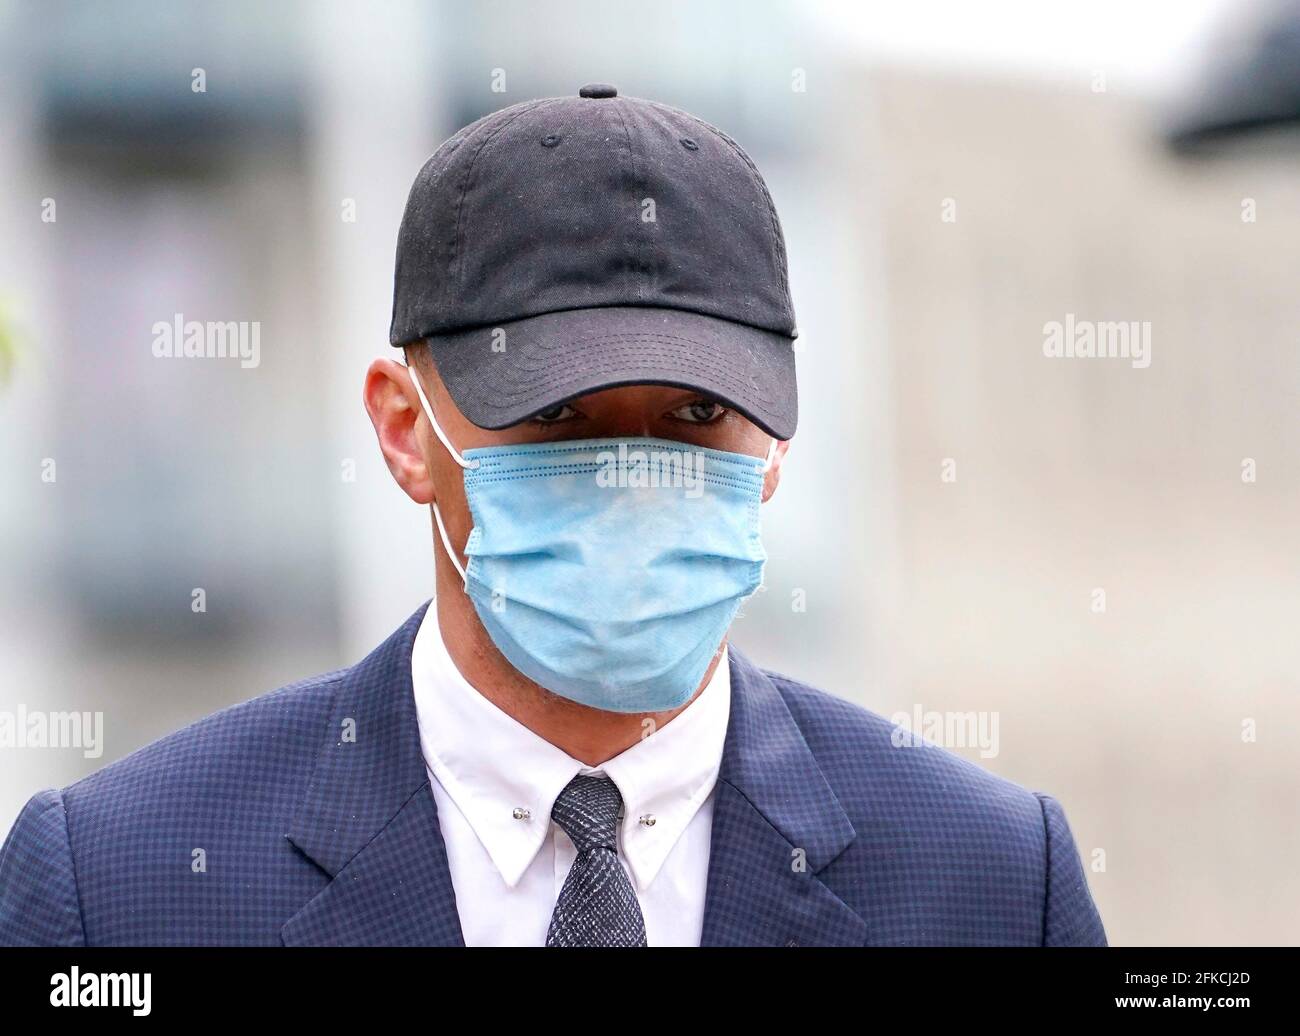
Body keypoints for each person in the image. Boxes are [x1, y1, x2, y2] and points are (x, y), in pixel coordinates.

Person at [0, 85, 1105, 946]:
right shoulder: (125, 882)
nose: (629, 473)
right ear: (402, 427)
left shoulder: (993, 881)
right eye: (558, 412)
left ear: (777, 440)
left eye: (695, 412)